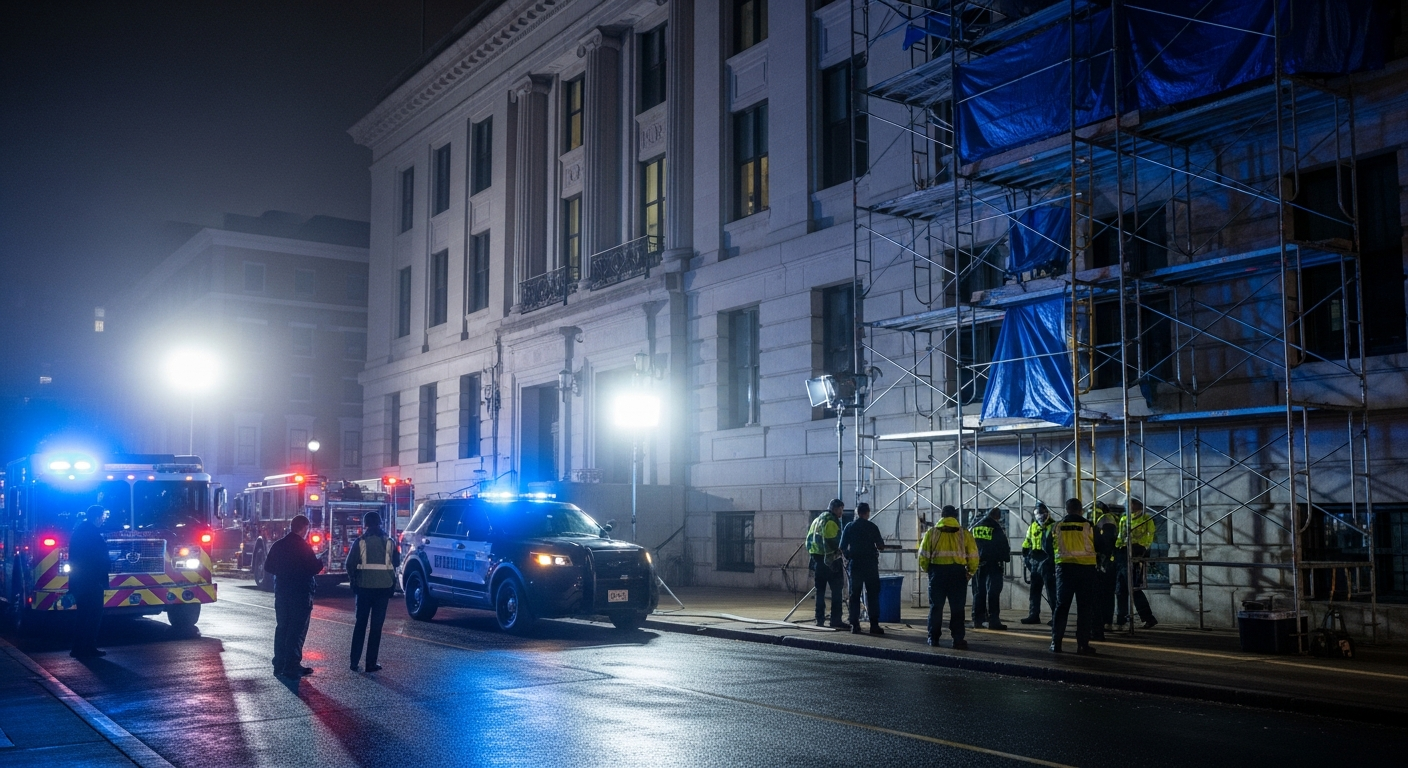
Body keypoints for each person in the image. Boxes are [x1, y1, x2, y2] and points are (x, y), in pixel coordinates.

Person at [264, 514, 324, 678]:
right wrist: (320, 562)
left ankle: (279, 664)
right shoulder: (303, 547)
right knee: (296, 630)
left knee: (282, 627)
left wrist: (283, 572)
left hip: (282, 593)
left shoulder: (278, 545)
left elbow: (268, 567)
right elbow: (313, 568)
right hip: (301, 594)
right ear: (304, 528)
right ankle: (292, 665)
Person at [1044, 498, 1105, 654]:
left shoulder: (1056, 526)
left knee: (1061, 607)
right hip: (1086, 570)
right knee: (1084, 608)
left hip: (1064, 570)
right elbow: (1101, 545)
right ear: (1080, 510)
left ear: (1067, 509)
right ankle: (1082, 645)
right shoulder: (1089, 526)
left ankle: (1055, 643)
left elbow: (1047, 547)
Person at [346, 511, 401, 672]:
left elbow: (350, 564)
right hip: (383, 589)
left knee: (360, 625)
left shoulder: (360, 542)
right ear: (380, 523)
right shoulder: (389, 542)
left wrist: (353, 580)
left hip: (363, 588)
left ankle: (354, 662)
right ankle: (371, 663)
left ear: (365, 525)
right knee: (376, 628)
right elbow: (396, 562)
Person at [918, 505, 978, 649]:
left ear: (942, 516)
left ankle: (933, 638)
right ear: (955, 516)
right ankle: (958, 639)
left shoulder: (931, 533)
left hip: (937, 574)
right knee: (957, 608)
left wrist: (928, 570)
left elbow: (923, 556)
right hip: (958, 574)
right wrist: (970, 572)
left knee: (936, 607)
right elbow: (974, 556)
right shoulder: (965, 533)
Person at [839, 502, 887, 636]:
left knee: (854, 595)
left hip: (856, 565)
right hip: (870, 565)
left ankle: (855, 625)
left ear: (856, 512)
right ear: (867, 513)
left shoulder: (849, 527)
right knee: (872, 595)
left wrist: (849, 557)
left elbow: (842, 546)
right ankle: (874, 625)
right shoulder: (872, 527)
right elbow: (880, 545)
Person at [68, 505, 110, 658]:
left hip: (81, 580)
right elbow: (97, 557)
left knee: (83, 615)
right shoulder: (92, 533)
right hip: (92, 581)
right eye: (103, 517)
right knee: (93, 615)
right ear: (97, 517)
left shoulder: (79, 531)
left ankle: (78, 648)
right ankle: (88, 647)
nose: (103, 520)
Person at [1116, 498, 1158, 630]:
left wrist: (1142, 548)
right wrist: (1117, 548)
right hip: (1123, 554)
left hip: (1136, 554)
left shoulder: (1146, 518)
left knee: (1134, 589)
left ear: (1135, 505)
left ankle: (1148, 618)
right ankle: (1121, 621)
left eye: (1129, 504)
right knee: (1120, 590)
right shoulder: (1124, 518)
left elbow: (1150, 536)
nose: (1126, 507)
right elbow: (1120, 536)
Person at [806, 500, 849, 629]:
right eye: (841, 509)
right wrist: (842, 552)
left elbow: (808, 541)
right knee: (836, 591)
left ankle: (819, 619)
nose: (842, 512)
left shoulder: (817, 520)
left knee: (820, 592)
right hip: (830, 562)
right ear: (835, 509)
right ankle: (835, 620)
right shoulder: (831, 520)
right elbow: (834, 542)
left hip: (817, 561)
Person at [970, 507, 1011, 630]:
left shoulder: (975, 526)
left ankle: (977, 620)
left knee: (978, 592)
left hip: (977, 563)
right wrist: (1005, 558)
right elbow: (1003, 545)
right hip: (993, 564)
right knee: (993, 592)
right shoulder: (995, 527)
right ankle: (993, 621)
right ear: (997, 516)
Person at [1019, 504, 1056, 625]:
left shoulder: (1054, 526)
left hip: (1048, 561)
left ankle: (1056, 616)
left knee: (1052, 591)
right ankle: (1033, 615)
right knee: (1035, 590)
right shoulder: (1033, 526)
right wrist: (1025, 552)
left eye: (1042, 512)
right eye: (1037, 513)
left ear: (1047, 512)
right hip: (1035, 560)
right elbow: (1028, 540)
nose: (1040, 515)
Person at [1090, 501, 1119, 640]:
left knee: (1105, 594)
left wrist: (1102, 559)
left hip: (1105, 562)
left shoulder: (1105, 520)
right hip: (1104, 561)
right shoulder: (1105, 519)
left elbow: (1107, 542)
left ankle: (1106, 622)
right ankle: (1104, 622)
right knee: (1104, 594)